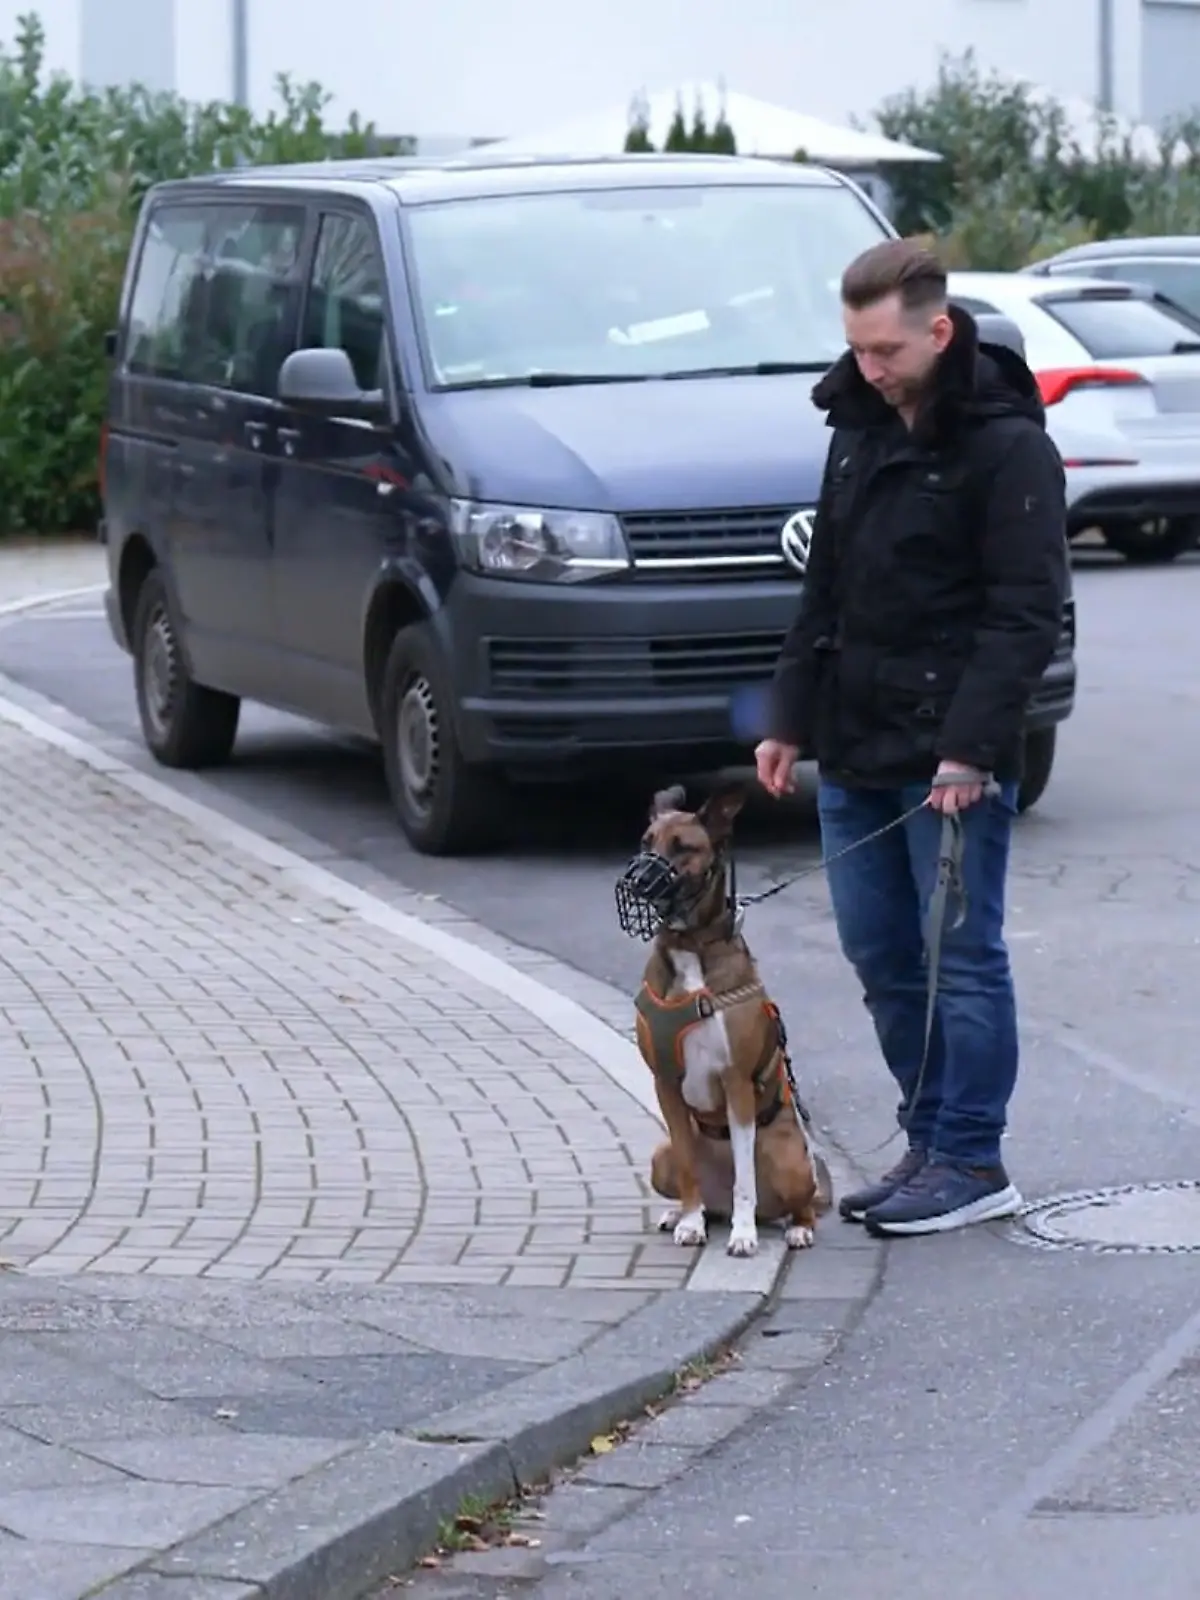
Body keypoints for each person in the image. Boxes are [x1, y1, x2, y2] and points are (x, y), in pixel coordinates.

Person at [755, 238, 1068, 1238]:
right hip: (856, 742)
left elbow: (1026, 611)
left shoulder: (1008, 444)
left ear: (939, 330)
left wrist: (972, 749)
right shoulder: (853, 424)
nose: (868, 368)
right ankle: (927, 1137)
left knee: (961, 954)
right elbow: (826, 586)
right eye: (855, 347)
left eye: (885, 349)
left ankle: (974, 1156)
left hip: (953, 761)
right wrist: (788, 718)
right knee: (882, 951)